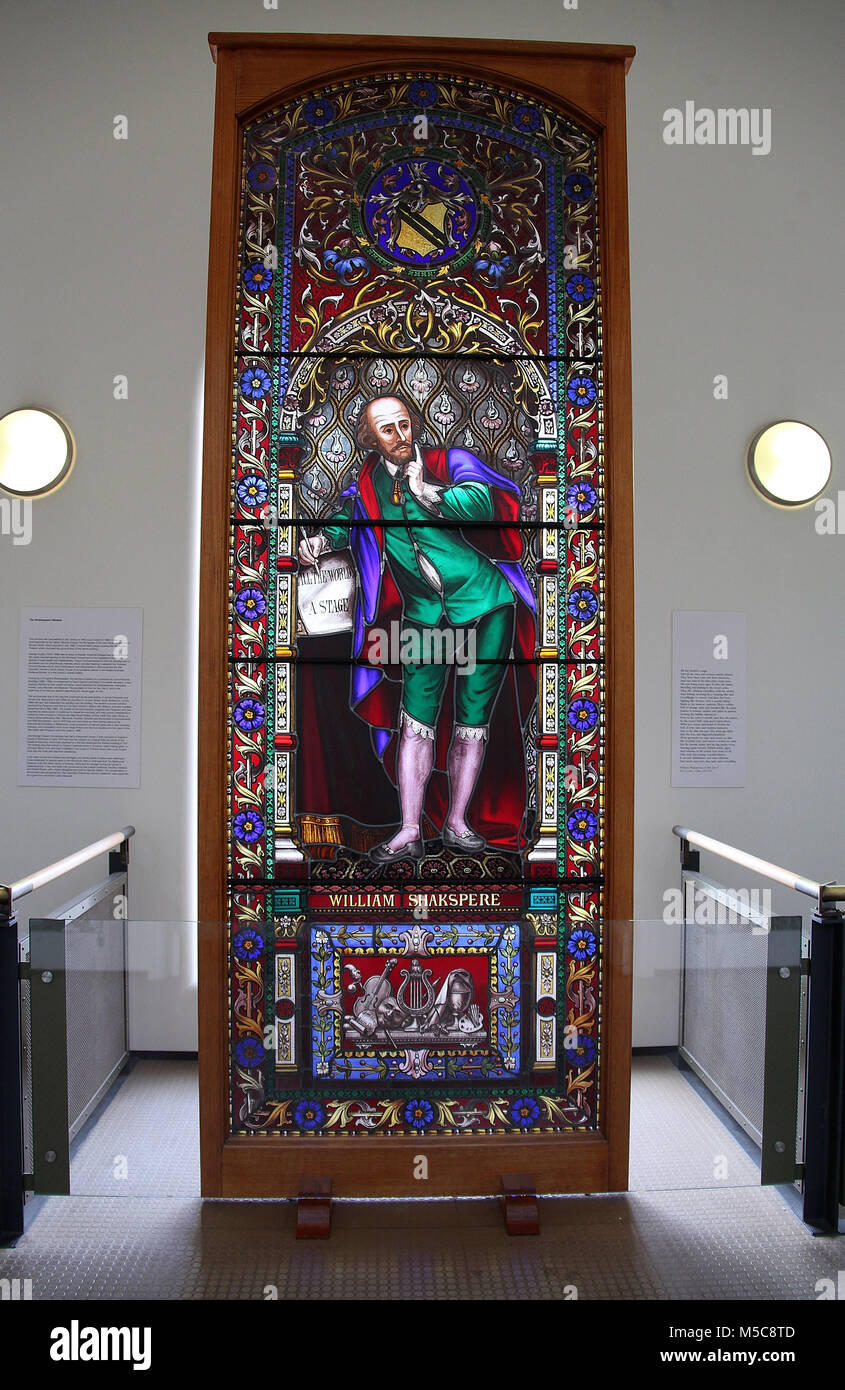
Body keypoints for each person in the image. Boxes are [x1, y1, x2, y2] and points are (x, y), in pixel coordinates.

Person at [298, 393, 535, 863]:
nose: (401, 436)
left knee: (472, 720)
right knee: (416, 721)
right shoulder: (369, 484)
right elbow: (351, 517)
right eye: (388, 429)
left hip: (486, 606)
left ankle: (457, 822)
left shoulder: (450, 462)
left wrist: (429, 491)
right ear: (370, 439)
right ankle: (409, 829)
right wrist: (324, 539)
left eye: (405, 424)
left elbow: (486, 501)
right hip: (424, 616)